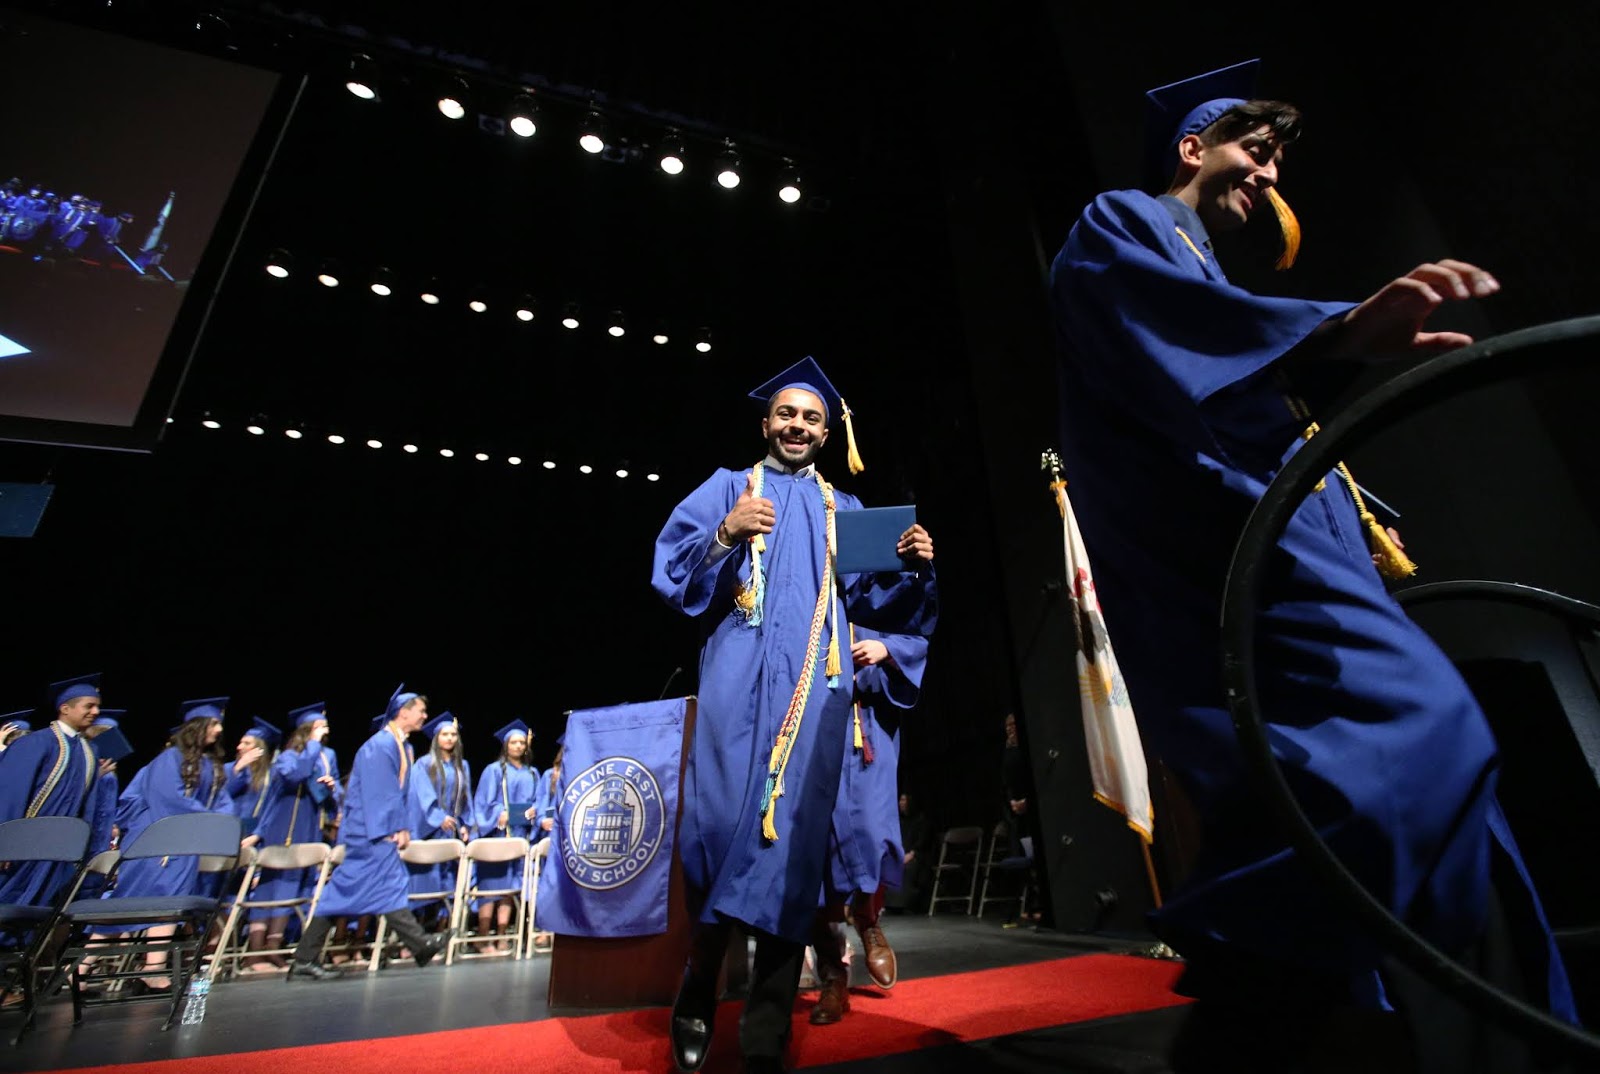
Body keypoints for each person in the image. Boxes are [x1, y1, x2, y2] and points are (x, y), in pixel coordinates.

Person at [1047, 59, 1576, 1070]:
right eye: (1254, 147)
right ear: (1190, 149)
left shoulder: (1202, 272)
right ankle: (1249, 1014)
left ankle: (1397, 1027)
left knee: (1382, 782)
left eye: (1279, 158)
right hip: (1219, 553)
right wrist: (1334, 333)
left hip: (1282, 544)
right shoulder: (1121, 223)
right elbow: (1181, 360)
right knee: (1419, 732)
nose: (1269, 171)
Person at [652, 356, 937, 1073]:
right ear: (766, 423)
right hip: (734, 697)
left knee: (791, 859)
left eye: (812, 418)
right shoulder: (727, 488)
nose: (799, 426)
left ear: (826, 431)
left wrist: (914, 565)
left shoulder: (845, 509)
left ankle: (764, 1035)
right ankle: (697, 983)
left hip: (816, 700)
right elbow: (671, 574)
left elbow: (883, 607)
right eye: (787, 414)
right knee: (716, 837)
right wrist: (724, 534)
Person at [807, 626, 930, 1026]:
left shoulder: (873, 581)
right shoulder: (805, 580)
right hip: (814, 728)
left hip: (868, 724)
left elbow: (914, 626)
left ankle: (866, 916)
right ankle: (832, 975)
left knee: (875, 833)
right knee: (815, 854)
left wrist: (887, 648)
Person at [287, 685, 450, 980]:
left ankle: (305, 958)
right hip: (368, 832)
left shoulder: (404, 745)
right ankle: (420, 945)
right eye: (421, 710)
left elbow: (398, 794)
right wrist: (393, 828)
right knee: (380, 886)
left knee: (360, 890)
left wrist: (401, 824)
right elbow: (379, 794)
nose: (425, 715)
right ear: (403, 713)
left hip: (377, 830)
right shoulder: (380, 745)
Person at [92, 697, 236, 990]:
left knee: (171, 904)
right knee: (133, 904)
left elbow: (222, 802)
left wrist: (226, 823)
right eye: (214, 723)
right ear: (197, 727)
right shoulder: (168, 759)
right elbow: (168, 800)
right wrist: (211, 820)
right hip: (155, 842)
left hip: (184, 844)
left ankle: (153, 966)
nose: (219, 729)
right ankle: (80, 967)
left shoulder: (209, 765)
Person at [0, 676, 107, 907]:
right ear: (65, 708)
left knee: (44, 913)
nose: (96, 712)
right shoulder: (36, 743)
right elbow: (9, 795)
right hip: (25, 848)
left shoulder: (89, 750)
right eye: (89, 706)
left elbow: (88, 807)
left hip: (62, 851)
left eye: (97, 706)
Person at [470, 719, 538, 953]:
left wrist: (533, 812)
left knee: (510, 887)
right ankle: (482, 936)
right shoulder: (494, 770)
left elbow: (537, 803)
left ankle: (501, 935)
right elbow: (483, 802)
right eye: (514, 742)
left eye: (522, 742)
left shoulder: (533, 773)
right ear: (506, 745)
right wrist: (499, 812)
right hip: (496, 836)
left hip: (520, 837)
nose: (518, 746)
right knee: (491, 886)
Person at [408, 710, 472, 931]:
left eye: (453, 735)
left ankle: (438, 932)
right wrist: (438, 817)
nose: (450, 738)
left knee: (447, 882)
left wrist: (466, 825)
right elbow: (421, 796)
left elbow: (466, 799)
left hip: (451, 832)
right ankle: (417, 935)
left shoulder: (462, 767)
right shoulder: (423, 764)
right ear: (436, 738)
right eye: (445, 734)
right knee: (425, 881)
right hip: (429, 831)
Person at [882, 791, 930, 914]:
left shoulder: (921, 820)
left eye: (904, 800)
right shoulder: (899, 821)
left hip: (916, 855)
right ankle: (890, 905)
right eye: (900, 800)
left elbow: (922, 842)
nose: (901, 803)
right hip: (900, 854)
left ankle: (907, 905)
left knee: (909, 867)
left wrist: (912, 854)